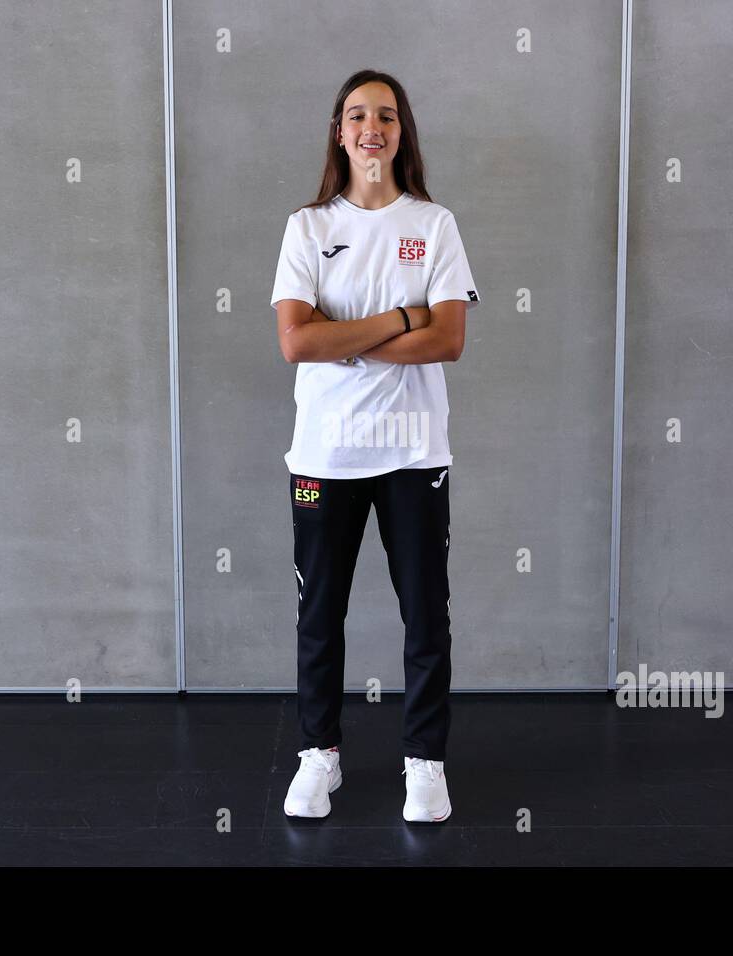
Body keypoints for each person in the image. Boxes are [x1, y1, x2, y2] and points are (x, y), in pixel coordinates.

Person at [269, 70, 482, 823]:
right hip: (324, 456)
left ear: (401, 132)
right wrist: (401, 315)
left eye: (386, 116)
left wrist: (345, 338)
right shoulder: (308, 228)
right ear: (339, 130)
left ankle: (423, 765)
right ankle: (317, 757)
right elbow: (298, 340)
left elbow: (449, 339)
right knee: (319, 615)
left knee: (425, 614)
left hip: (414, 453)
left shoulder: (435, 224)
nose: (372, 127)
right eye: (357, 115)